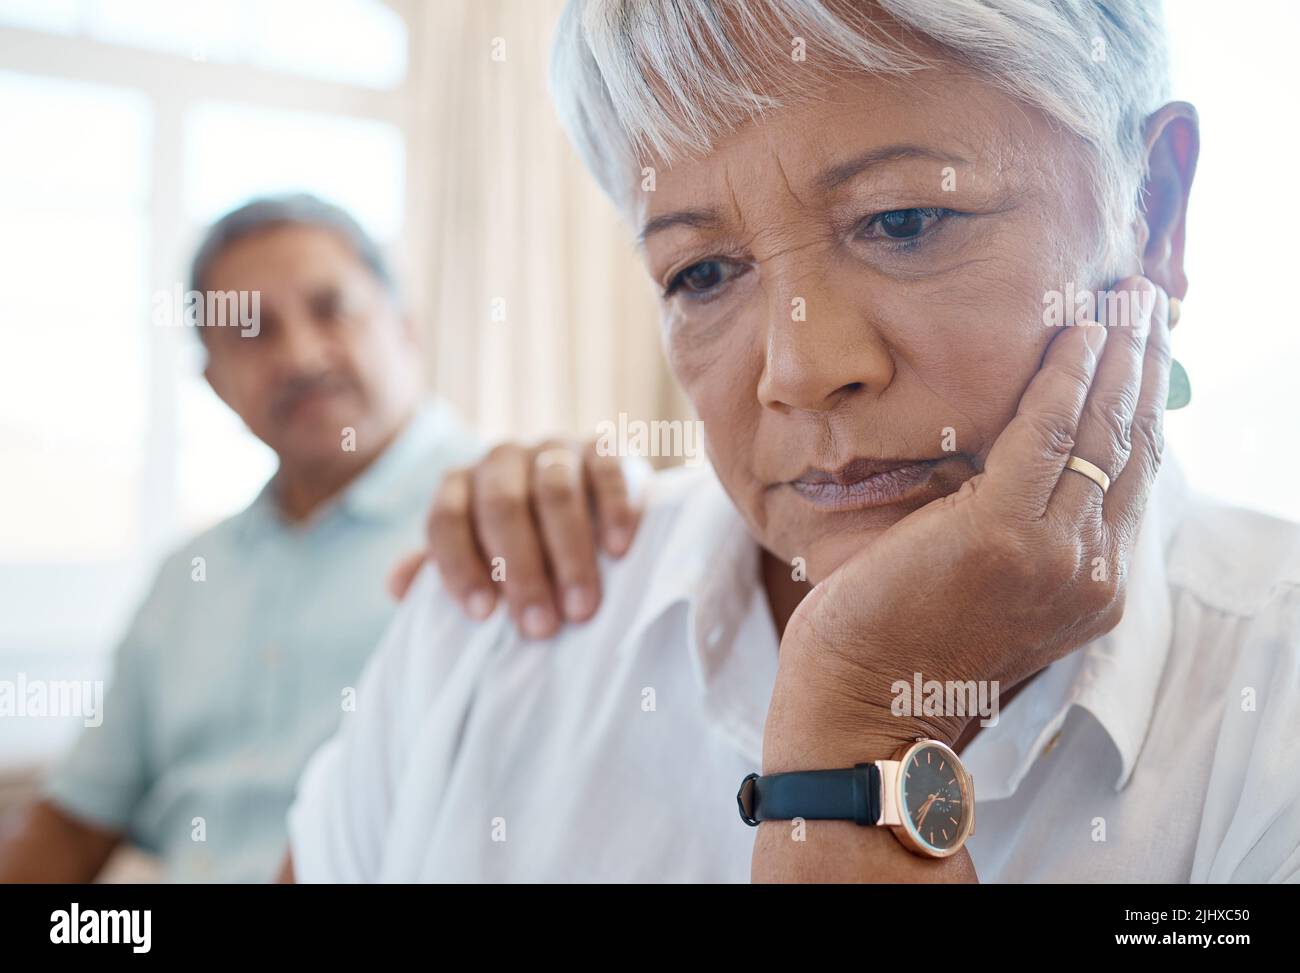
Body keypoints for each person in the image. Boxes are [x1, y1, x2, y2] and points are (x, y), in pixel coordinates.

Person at [284, 0, 1300, 883]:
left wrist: (854, 745)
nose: (801, 370)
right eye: (701, 274)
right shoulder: (500, 620)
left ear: (1154, 210)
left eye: (902, 221)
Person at [0, 194, 632, 882]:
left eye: (332, 308)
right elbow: (74, 822)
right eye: (252, 331)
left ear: (405, 325)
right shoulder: (187, 578)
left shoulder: (522, 518)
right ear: (213, 380)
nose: (300, 355)